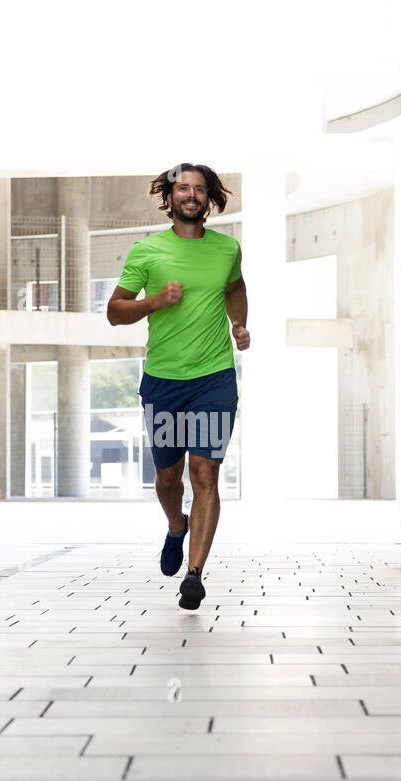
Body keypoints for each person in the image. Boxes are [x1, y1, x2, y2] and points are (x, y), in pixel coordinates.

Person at [106, 163, 250, 610]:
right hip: (165, 382)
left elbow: (234, 287)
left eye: (200, 189)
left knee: (204, 472)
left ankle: (194, 574)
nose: (191, 195)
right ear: (170, 197)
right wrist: (154, 301)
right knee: (168, 477)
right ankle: (175, 525)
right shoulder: (147, 252)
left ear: (210, 199)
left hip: (214, 379)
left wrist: (239, 323)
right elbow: (115, 311)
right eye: (183, 188)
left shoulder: (227, 249)